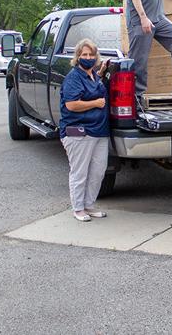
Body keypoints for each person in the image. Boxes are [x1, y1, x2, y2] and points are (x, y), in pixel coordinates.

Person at [59, 39, 110, 222]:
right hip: (79, 132)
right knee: (80, 172)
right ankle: (78, 208)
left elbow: (97, 86)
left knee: (98, 171)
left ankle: (89, 205)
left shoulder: (94, 75)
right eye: (84, 55)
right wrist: (95, 103)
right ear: (78, 57)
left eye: (91, 55)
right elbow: (71, 105)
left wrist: (102, 73)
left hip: (100, 132)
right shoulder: (73, 77)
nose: (88, 58)